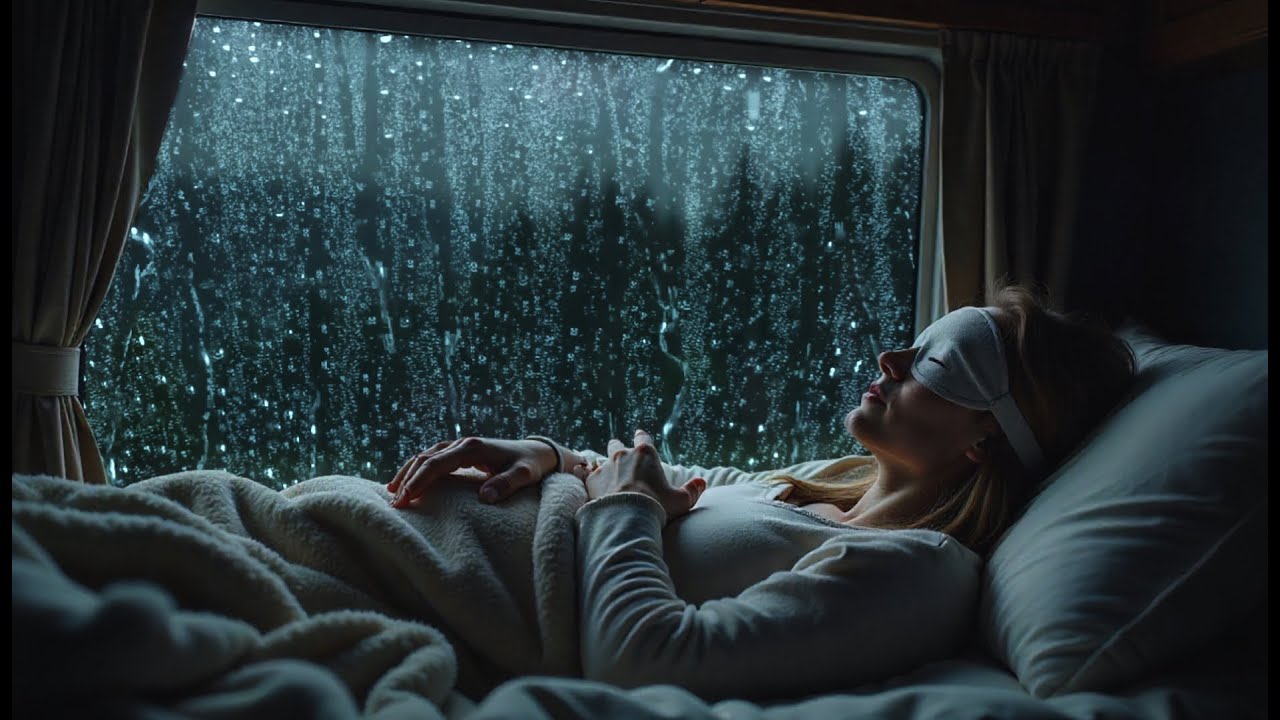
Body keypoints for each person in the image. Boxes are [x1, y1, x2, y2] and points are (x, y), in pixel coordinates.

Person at [385, 282, 1136, 700]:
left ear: (988, 440)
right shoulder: (810, 488)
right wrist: (548, 455)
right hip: (409, 536)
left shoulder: (916, 572)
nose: (893, 357)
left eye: (943, 362)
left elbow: (642, 662)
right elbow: (646, 475)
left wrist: (628, 508)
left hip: (430, 591)